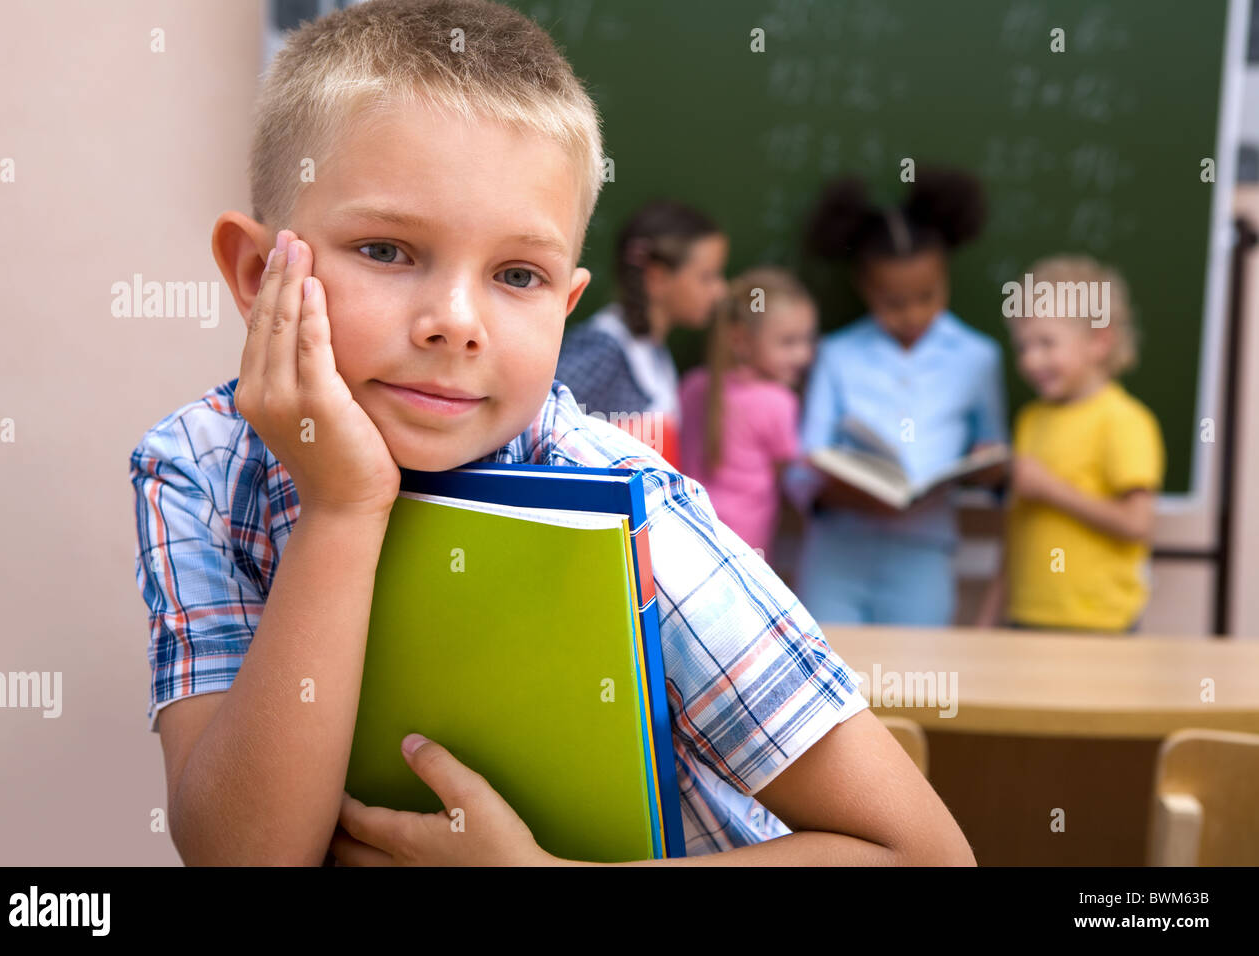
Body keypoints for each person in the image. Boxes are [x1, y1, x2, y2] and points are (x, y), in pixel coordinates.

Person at [129, 0, 973, 865]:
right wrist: (341, 512)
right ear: (255, 270)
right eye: (386, 250)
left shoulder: (619, 504)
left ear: (565, 310)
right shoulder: (197, 468)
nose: (455, 323)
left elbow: (928, 857)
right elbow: (243, 857)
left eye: (517, 274)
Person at [783, 170, 1009, 626]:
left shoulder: (977, 357)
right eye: (892, 302)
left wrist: (989, 467)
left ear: (947, 278)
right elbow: (800, 463)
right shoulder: (837, 354)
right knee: (830, 677)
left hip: (923, 549)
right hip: (837, 550)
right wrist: (843, 493)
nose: (912, 315)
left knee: (915, 682)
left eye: (927, 296)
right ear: (864, 289)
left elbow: (994, 453)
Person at [976, 255, 1164, 632]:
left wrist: (1051, 489)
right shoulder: (1031, 420)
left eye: (1046, 343)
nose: (1030, 360)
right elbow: (1016, 532)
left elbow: (1136, 523)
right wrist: (987, 619)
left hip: (1098, 624)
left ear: (1099, 341)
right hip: (1024, 617)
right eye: (1023, 347)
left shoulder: (1123, 421)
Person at [555, 200, 728, 468]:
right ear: (657, 277)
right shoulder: (604, 349)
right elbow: (540, 422)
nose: (720, 291)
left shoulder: (653, 349)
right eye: (707, 277)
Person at [679, 266, 816, 565]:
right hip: (745, 548)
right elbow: (789, 476)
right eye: (789, 342)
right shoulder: (778, 402)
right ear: (740, 340)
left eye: (807, 340)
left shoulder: (692, 385)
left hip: (686, 532)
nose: (803, 355)